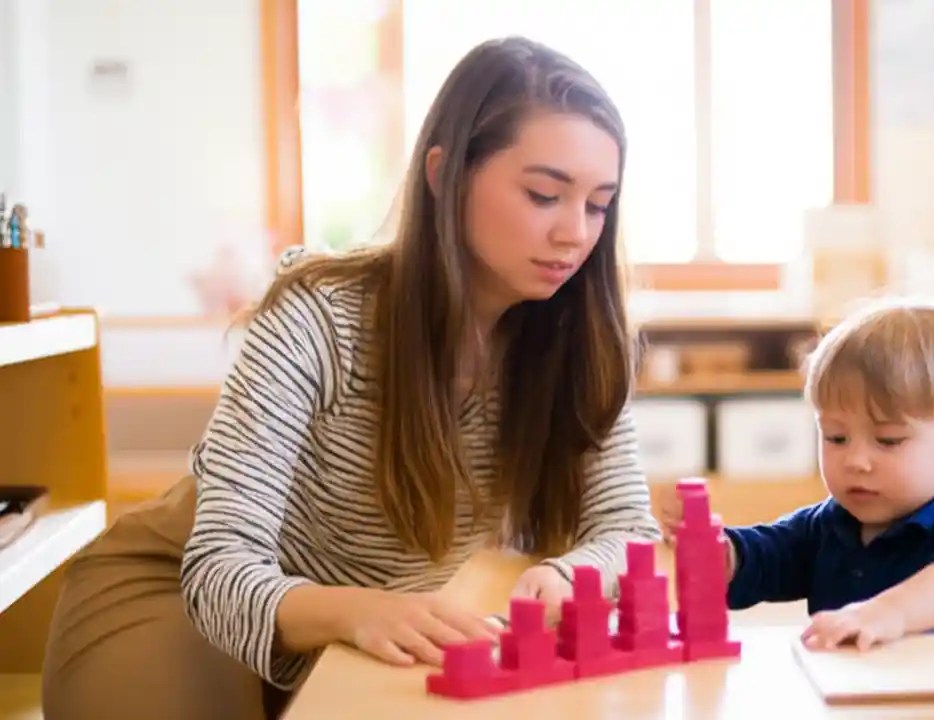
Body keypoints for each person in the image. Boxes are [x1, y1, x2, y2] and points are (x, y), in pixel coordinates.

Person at [41, 36, 662, 720]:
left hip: (366, 624)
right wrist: (358, 612)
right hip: (174, 595)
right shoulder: (317, 316)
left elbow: (628, 530)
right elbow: (217, 570)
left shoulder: (581, 340)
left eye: (600, 205)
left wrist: (567, 575)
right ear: (445, 173)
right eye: (544, 194)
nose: (576, 233)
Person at [659, 299, 934, 677]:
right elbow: (772, 553)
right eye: (836, 437)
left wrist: (887, 613)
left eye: (887, 440)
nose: (855, 460)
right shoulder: (833, 521)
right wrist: (722, 555)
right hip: (870, 695)